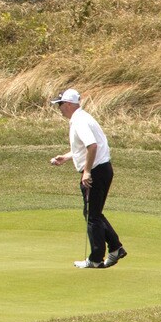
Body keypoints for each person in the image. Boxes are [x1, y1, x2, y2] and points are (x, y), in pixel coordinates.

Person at [49, 88, 125, 269]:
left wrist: (87, 172)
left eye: (60, 105)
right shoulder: (83, 118)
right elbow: (85, 147)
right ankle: (115, 248)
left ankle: (96, 259)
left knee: (92, 216)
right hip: (102, 169)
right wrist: (67, 157)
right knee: (93, 213)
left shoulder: (79, 122)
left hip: (97, 171)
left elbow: (92, 146)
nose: (59, 108)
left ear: (68, 104)